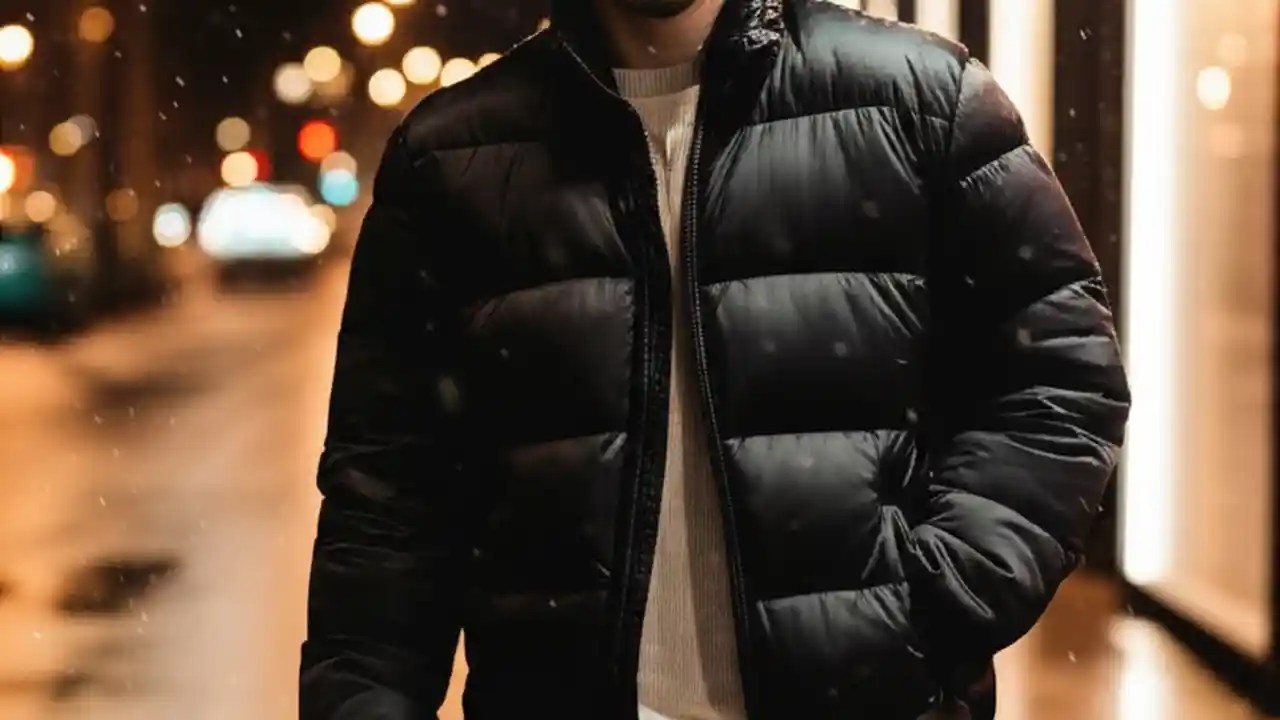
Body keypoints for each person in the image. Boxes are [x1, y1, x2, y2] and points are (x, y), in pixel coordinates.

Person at [298, 0, 1131, 718]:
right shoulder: (451, 162)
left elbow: (1060, 375)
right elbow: (388, 500)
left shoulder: (921, 105)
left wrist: (930, 598)